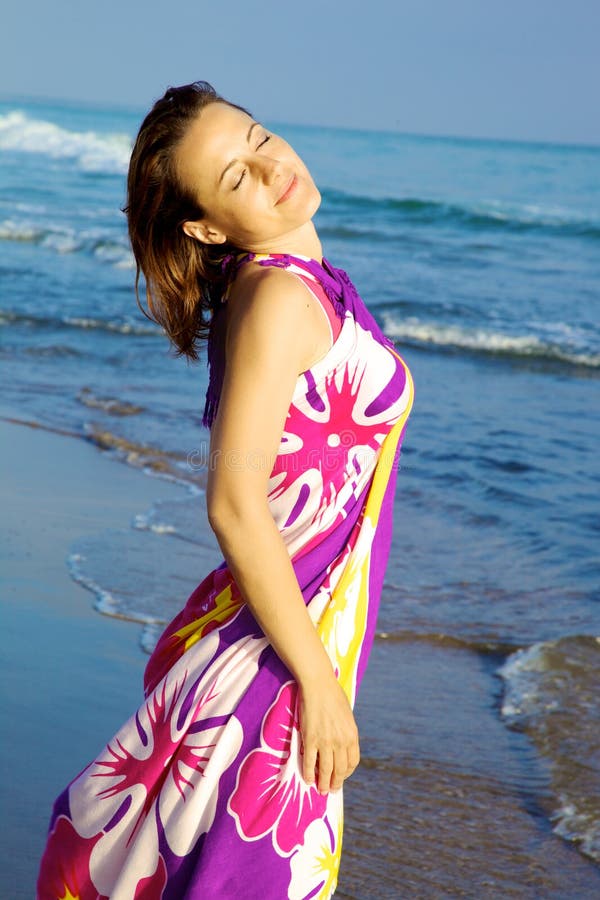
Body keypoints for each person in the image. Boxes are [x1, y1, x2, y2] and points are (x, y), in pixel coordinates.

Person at [37, 81, 414, 899]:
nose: (270, 164)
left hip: (283, 640)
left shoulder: (294, 284)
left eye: (259, 138)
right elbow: (234, 502)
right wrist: (317, 683)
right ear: (207, 227)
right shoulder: (279, 297)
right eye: (238, 177)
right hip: (279, 662)